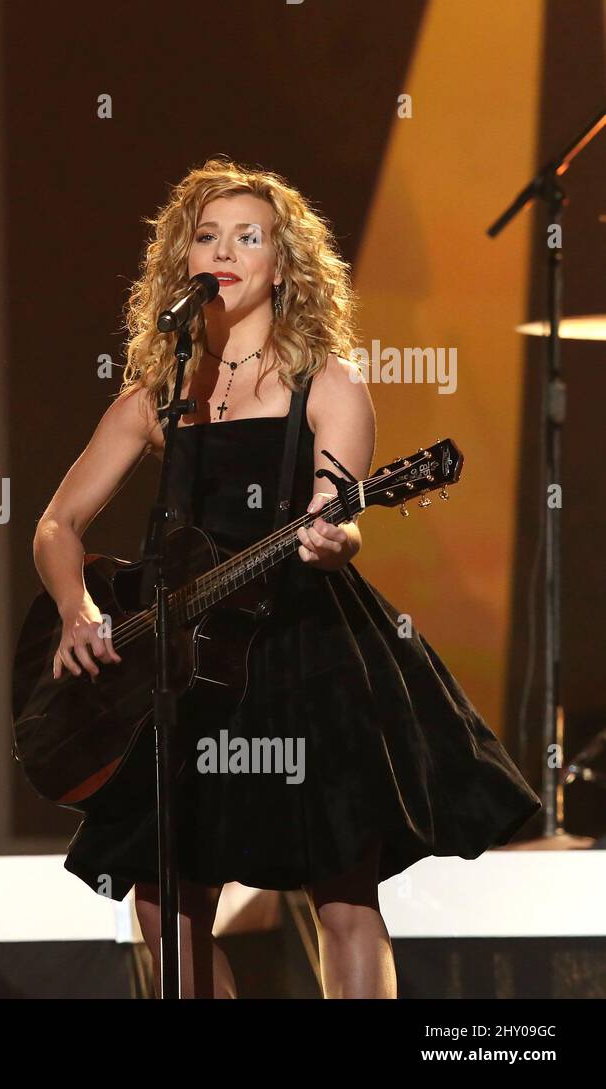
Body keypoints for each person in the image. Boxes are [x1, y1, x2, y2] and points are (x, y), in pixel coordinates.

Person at [32, 158, 540, 999]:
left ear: (282, 264)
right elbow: (57, 523)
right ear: (181, 260)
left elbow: (333, 513)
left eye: (248, 236)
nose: (225, 250)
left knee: (341, 889)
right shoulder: (154, 396)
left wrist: (334, 540)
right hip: (179, 662)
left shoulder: (328, 384)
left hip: (300, 645)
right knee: (163, 902)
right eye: (207, 235)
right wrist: (73, 606)